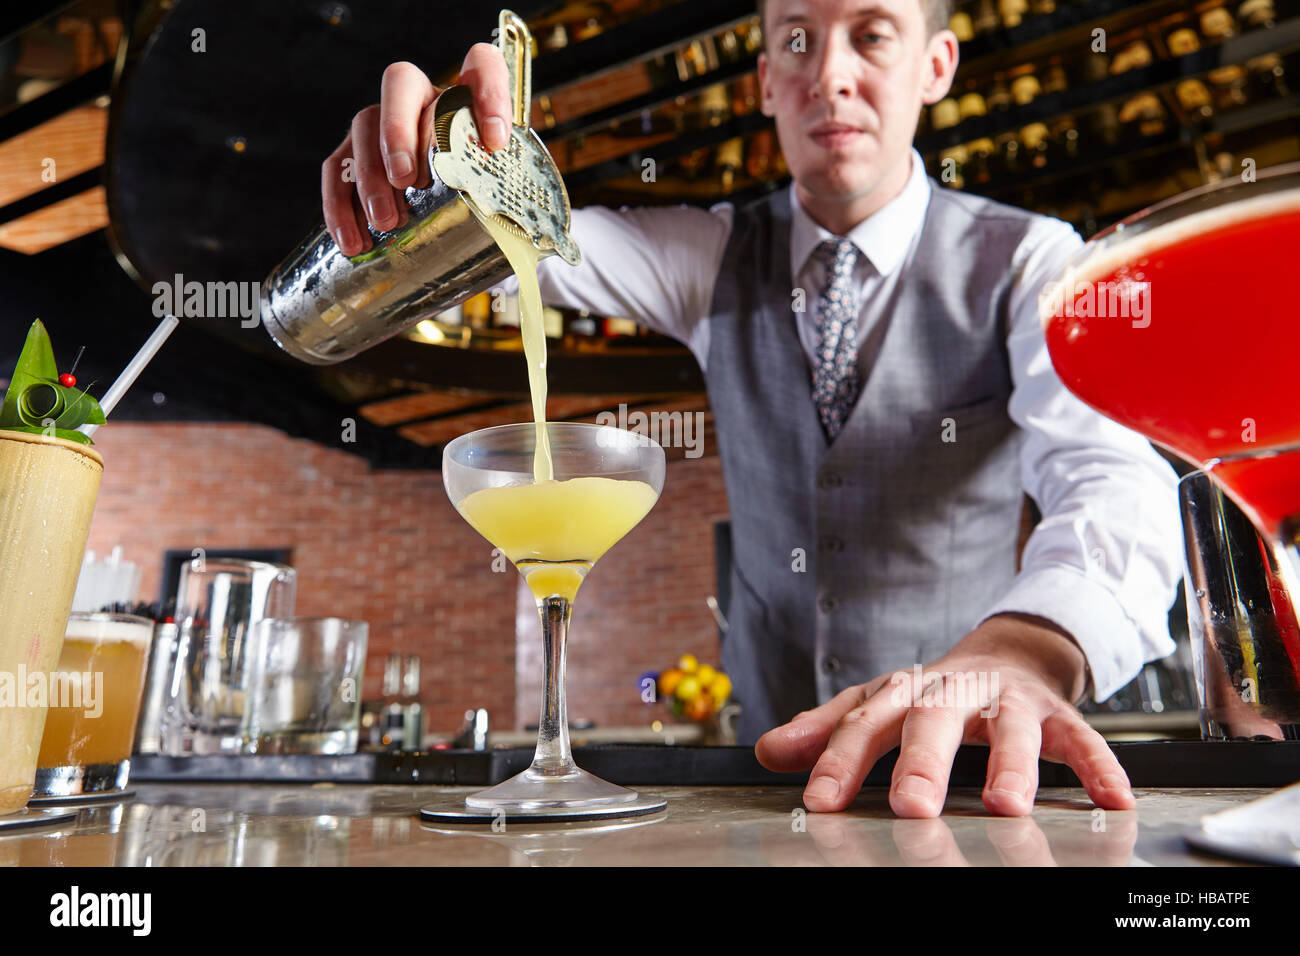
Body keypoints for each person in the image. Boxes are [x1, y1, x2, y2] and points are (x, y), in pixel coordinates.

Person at [320, 0, 1183, 818]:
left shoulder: (1029, 260)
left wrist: (1021, 652)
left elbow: (1112, 477)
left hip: (968, 782)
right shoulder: (713, 256)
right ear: (766, 80)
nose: (831, 75)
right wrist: (426, 180)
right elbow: (530, 246)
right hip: (765, 780)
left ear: (936, 64)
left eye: (874, 36)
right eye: (799, 42)